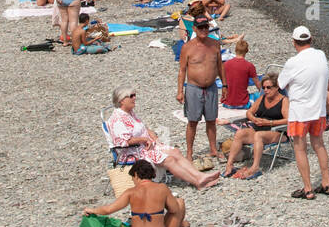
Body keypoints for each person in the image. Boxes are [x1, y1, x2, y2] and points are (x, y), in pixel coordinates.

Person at [106, 87, 219, 189]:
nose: (134, 98)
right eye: (131, 96)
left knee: (175, 152)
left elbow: (141, 128)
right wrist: (144, 139)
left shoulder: (129, 113)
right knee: (169, 159)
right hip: (133, 152)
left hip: (145, 146)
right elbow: (123, 142)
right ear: (121, 100)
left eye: (134, 95)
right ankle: (197, 182)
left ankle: (200, 176)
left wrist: (151, 135)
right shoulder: (117, 119)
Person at [280, 26, 329, 199]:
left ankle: (307, 188)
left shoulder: (293, 62)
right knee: (319, 144)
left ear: (294, 43)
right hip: (319, 110)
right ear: (311, 39)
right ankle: (327, 182)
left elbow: (281, 84)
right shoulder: (321, 55)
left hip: (300, 111)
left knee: (300, 148)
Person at [83, 160, 186, 227]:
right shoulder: (162, 188)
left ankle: (180, 225)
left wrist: (91, 210)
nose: (133, 181)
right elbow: (174, 210)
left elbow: (108, 210)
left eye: (132, 178)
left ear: (136, 175)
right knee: (179, 203)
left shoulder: (131, 192)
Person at [222, 73, 289, 179]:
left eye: (269, 87)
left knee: (258, 135)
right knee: (240, 133)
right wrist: (253, 119)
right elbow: (249, 112)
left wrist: (270, 123)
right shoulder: (263, 98)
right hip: (259, 128)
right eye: (264, 88)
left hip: (277, 131)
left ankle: (255, 167)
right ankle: (229, 164)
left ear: (277, 88)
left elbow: (288, 120)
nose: (266, 90)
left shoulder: (284, 100)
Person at [178, 18, 224, 161]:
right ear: (195, 29)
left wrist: (226, 85)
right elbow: (182, 70)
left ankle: (213, 149)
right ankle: (189, 153)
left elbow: (220, 66)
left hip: (211, 87)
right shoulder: (187, 47)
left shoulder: (215, 44)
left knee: (211, 120)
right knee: (192, 122)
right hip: (193, 88)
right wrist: (180, 91)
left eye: (206, 27)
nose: (204, 30)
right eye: (201, 27)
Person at [222, 39, 257, 108]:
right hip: (243, 103)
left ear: (235, 50)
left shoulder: (226, 64)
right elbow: (257, 83)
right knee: (257, 95)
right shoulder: (249, 66)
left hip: (227, 103)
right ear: (247, 51)